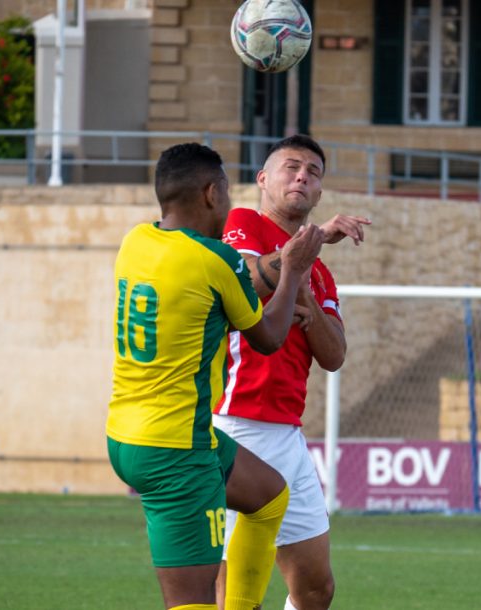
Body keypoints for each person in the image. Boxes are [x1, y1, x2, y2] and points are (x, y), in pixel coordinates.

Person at [107, 142, 325, 610]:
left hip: (127, 431)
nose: (229, 204)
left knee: (269, 497)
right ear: (210, 194)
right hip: (174, 449)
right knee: (193, 601)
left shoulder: (136, 241)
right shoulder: (215, 261)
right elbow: (268, 338)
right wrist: (291, 272)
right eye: (225, 193)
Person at [213, 135, 371, 610]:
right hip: (236, 426)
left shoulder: (320, 274)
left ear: (320, 192)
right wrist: (313, 243)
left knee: (315, 589)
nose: (302, 175)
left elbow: (335, 354)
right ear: (263, 179)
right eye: (291, 167)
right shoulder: (243, 223)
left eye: (314, 172)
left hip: (288, 438)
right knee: (235, 595)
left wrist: (310, 308)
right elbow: (243, 277)